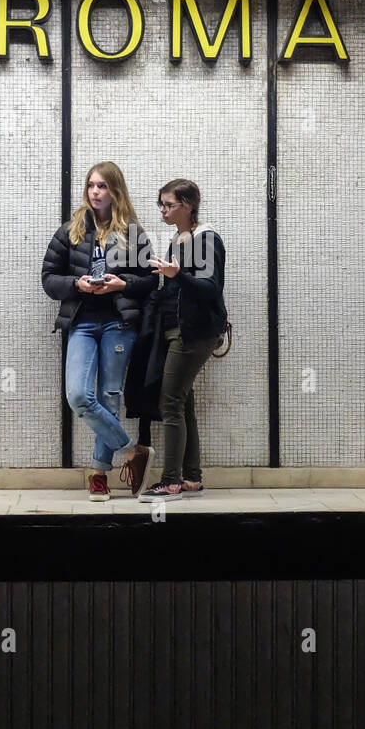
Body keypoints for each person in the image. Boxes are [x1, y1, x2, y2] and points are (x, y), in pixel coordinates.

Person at [41, 162, 156, 500]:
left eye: (103, 186)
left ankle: (99, 474)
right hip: (83, 322)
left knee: (109, 396)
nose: (95, 192)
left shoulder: (133, 233)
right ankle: (133, 452)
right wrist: (75, 284)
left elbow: (152, 280)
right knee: (78, 395)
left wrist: (123, 283)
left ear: (115, 190)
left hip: (119, 323)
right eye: (91, 185)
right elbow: (48, 278)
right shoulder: (70, 231)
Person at [137, 179, 227, 501]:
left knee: (171, 402)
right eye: (160, 205)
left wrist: (179, 276)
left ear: (188, 205)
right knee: (183, 403)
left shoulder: (205, 239)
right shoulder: (179, 239)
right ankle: (191, 478)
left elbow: (210, 288)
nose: (163, 211)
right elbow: (175, 287)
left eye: (169, 205)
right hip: (180, 331)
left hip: (195, 332)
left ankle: (170, 481)